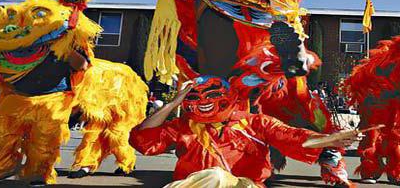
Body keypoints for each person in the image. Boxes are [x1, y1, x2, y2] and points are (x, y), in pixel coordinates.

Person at [130, 76, 360, 187]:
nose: (204, 102)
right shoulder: (182, 126)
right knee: (213, 177)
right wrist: (172, 104)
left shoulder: (255, 123)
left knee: (217, 177)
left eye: (211, 96)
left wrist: (332, 139)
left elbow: (292, 137)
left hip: (245, 186)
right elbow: (142, 140)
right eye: (194, 98)